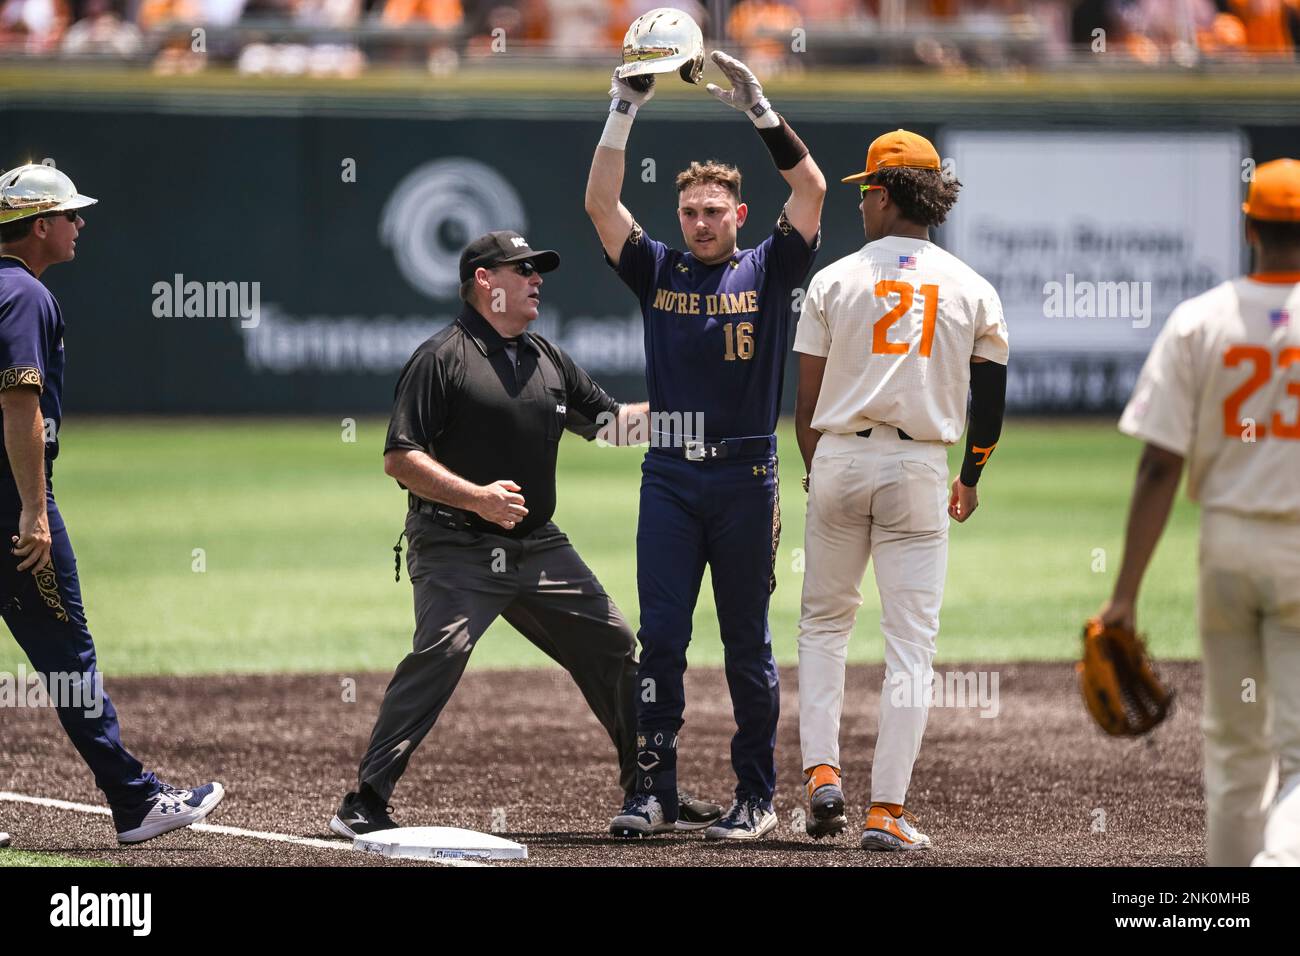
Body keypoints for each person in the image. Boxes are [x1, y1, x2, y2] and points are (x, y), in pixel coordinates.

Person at [329, 230, 722, 838]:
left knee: (615, 643)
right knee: (444, 649)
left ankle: (652, 789)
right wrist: (477, 497)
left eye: (538, 270)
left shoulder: (546, 358)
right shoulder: (442, 357)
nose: (537, 279)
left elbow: (613, 425)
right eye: (523, 270)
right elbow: (399, 457)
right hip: (454, 543)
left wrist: (701, 414)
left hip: (538, 546)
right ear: (485, 282)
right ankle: (365, 799)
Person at [586, 50, 825, 839]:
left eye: (713, 210)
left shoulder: (771, 264)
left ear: (739, 216)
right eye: (690, 210)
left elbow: (812, 189)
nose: (699, 221)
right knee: (660, 642)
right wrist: (625, 106)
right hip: (669, 478)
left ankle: (755, 795)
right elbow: (599, 203)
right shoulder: (658, 269)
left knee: (747, 647)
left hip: (746, 478)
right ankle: (653, 792)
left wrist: (761, 111)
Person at [793, 130, 1009, 850]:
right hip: (920, 466)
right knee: (911, 646)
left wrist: (816, 471)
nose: (859, 202)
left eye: (865, 190)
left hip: (840, 460)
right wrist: (971, 476)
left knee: (825, 625)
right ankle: (887, 812)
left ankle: (822, 773)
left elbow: (805, 405)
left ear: (884, 195)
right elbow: (992, 405)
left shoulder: (833, 280)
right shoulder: (973, 287)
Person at [0, 163, 224, 844]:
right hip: (11, 508)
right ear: (41, 226)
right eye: (71, 215)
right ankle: (134, 803)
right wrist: (34, 509)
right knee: (68, 658)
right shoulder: (24, 296)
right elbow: (19, 404)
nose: (80, 225)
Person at [1099, 157, 1300, 867]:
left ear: (1250, 228)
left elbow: (1159, 463)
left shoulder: (1200, 320)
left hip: (1227, 548)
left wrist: (1124, 594)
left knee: (1235, 750)